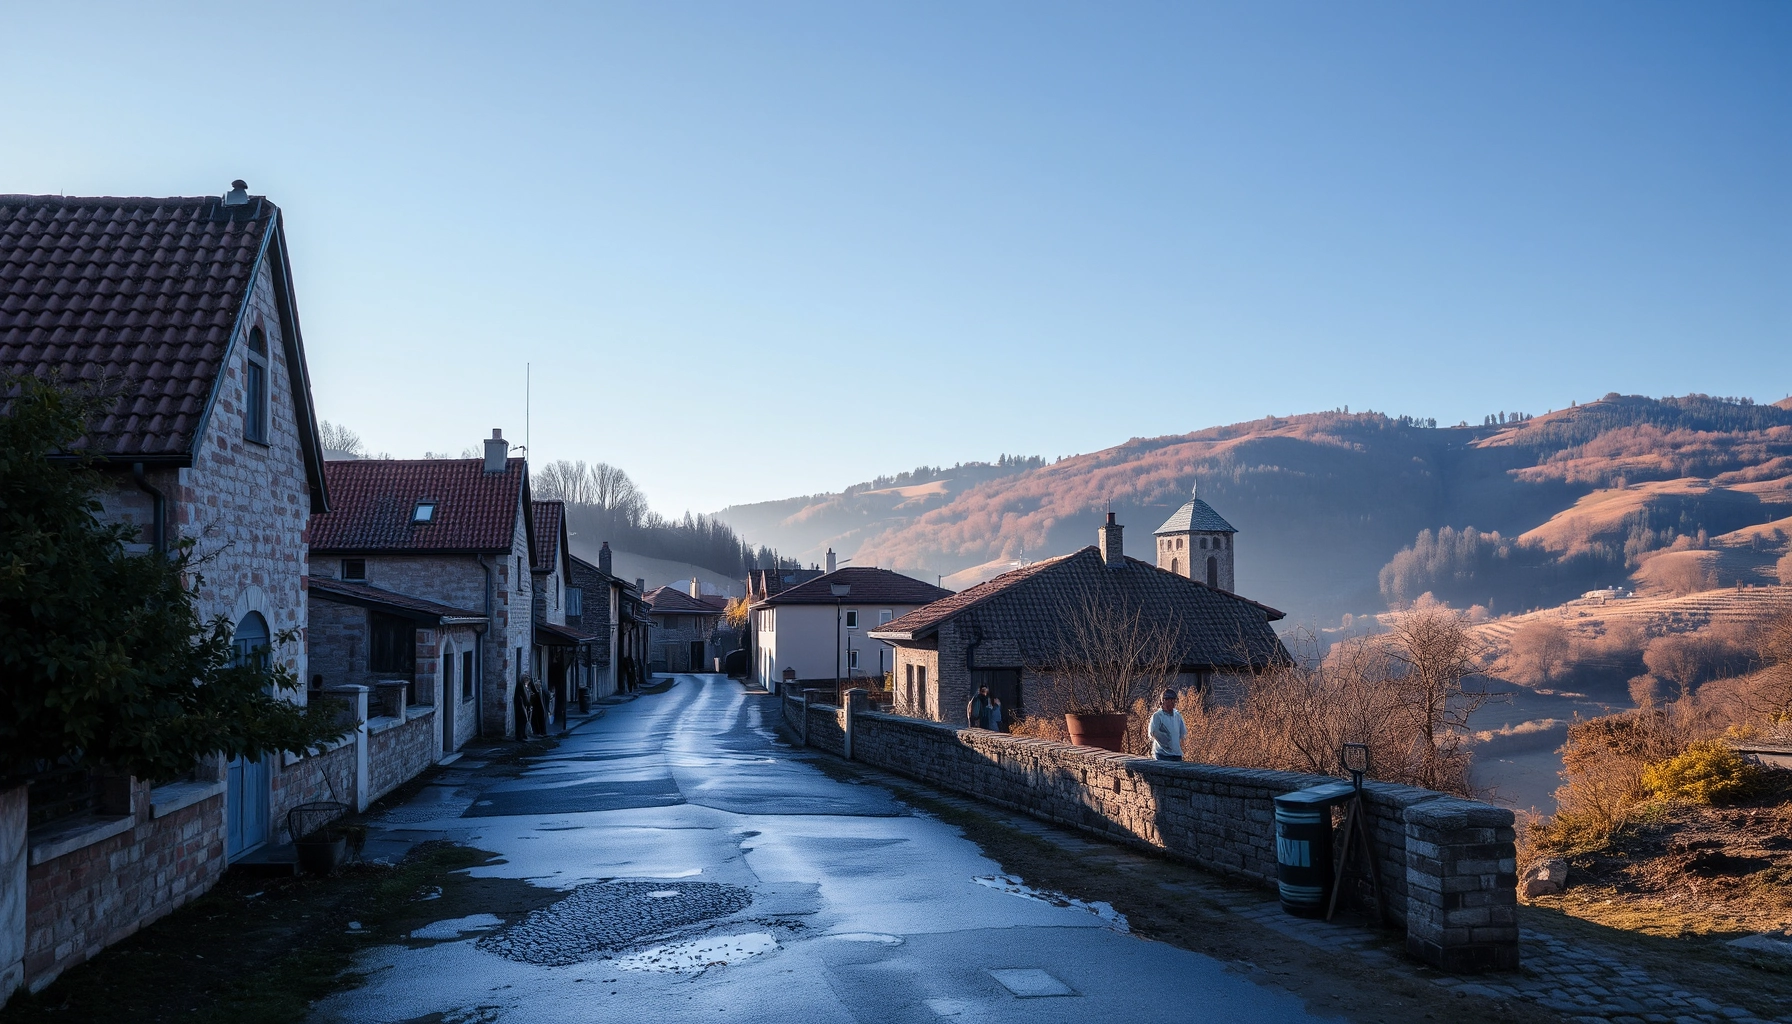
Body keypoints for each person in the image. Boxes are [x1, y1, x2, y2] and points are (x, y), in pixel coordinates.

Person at [1149, 688, 1187, 761]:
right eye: (1170, 700)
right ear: (1163, 700)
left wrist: (1179, 745)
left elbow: (1182, 733)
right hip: (1162, 755)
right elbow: (1154, 732)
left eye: (1174, 700)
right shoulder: (1157, 716)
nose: (1173, 702)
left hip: (1176, 754)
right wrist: (1167, 742)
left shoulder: (1177, 716)